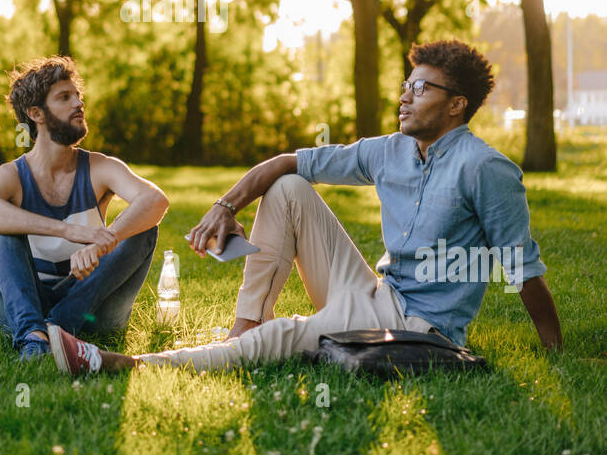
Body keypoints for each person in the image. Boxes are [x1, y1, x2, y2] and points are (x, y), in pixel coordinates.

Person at [46, 39, 563, 377]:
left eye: (421, 88)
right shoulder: (390, 151)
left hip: (417, 326)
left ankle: (124, 364)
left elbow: (523, 269)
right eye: (405, 86)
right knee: (289, 187)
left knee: (289, 335)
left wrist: (554, 356)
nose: (405, 97)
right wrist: (226, 205)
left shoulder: (484, 169)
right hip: (377, 291)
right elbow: (288, 162)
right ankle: (243, 332)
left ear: (456, 105)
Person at [0, 56, 168, 362]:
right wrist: (69, 230)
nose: (78, 103)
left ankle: (56, 328)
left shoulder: (99, 167)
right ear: (36, 113)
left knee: (142, 229)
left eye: (77, 95)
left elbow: (155, 200)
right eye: (64, 97)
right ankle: (34, 336)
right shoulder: (10, 176)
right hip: (19, 309)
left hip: (91, 309)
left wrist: (104, 242)